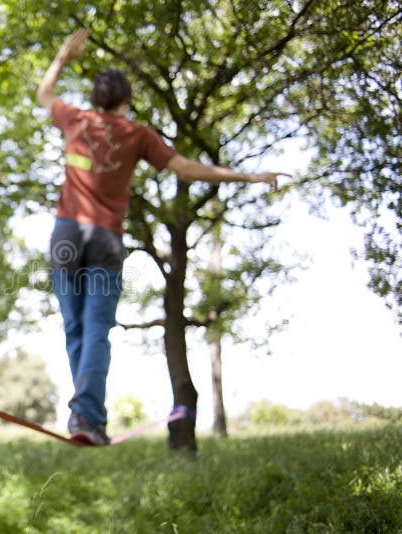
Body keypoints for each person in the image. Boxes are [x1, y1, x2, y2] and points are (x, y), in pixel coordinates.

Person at [36, 29, 288, 445]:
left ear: (96, 98)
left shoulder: (74, 118)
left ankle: (85, 414)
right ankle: (86, 418)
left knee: (75, 329)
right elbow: (186, 168)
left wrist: (63, 56)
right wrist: (248, 175)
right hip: (104, 240)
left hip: (66, 236)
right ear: (125, 99)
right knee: (97, 329)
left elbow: (44, 93)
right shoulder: (137, 134)